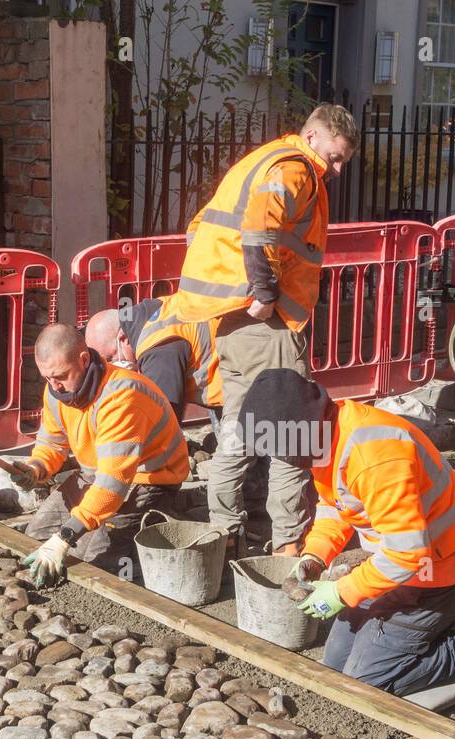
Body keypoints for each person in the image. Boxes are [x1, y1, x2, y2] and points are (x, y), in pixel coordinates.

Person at [237, 368, 455, 699]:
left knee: (364, 684)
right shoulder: (330, 431)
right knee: (334, 667)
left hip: (440, 572)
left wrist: (342, 592)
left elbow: (408, 555)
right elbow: (335, 506)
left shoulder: (372, 456)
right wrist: (314, 556)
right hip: (398, 565)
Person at [158, 103, 359, 558]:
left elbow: (197, 230)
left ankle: (226, 534)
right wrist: (264, 294)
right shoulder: (295, 170)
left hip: (230, 321)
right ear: (312, 139)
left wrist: (240, 293)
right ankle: (288, 545)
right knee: (292, 430)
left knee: (239, 425)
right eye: (337, 155)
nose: (338, 169)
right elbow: (259, 230)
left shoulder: (258, 162)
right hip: (267, 323)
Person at [11, 323, 188, 582]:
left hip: (148, 481)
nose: (54, 386)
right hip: (96, 475)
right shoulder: (57, 391)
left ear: (83, 360)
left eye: (60, 376)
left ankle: (156, 537)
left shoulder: (121, 396)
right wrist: (36, 467)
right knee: (34, 536)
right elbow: (52, 442)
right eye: (47, 378)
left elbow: (113, 483)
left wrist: (66, 536)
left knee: (91, 563)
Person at [82, 298, 221, 424]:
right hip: (227, 367)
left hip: (233, 385)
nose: (112, 366)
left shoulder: (157, 349)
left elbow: (163, 421)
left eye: (110, 358)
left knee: (234, 449)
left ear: (122, 339)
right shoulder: (152, 312)